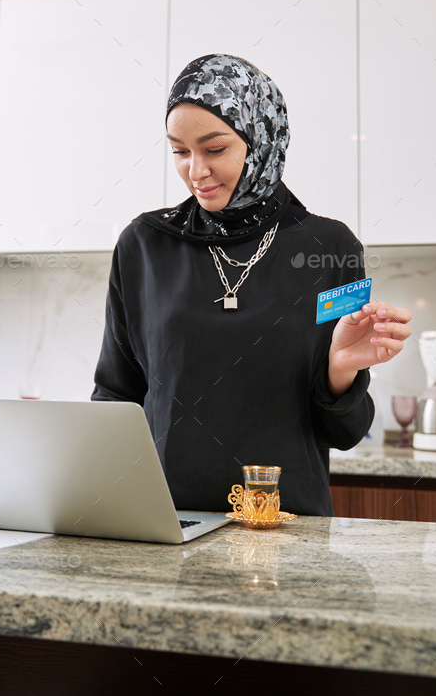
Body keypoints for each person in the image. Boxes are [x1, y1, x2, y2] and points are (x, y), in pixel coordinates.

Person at [92, 54, 413, 515]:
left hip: (287, 531)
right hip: (166, 527)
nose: (195, 171)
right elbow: (115, 400)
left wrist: (341, 373)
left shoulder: (331, 246)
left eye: (214, 149)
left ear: (260, 139)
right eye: (180, 151)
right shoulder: (143, 245)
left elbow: (346, 433)